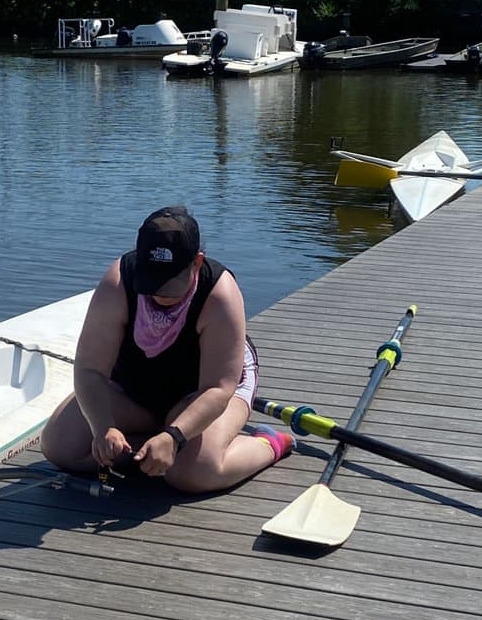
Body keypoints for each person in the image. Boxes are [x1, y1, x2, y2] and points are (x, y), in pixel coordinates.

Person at [41, 206, 293, 492]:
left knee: (193, 473)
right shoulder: (118, 281)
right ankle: (153, 447)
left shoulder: (219, 293)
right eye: (152, 280)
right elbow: (90, 369)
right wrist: (102, 427)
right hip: (138, 389)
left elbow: (218, 388)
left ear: (197, 262)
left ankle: (268, 444)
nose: (160, 292)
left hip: (202, 391)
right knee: (60, 447)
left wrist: (175, 436)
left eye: (170, 282)